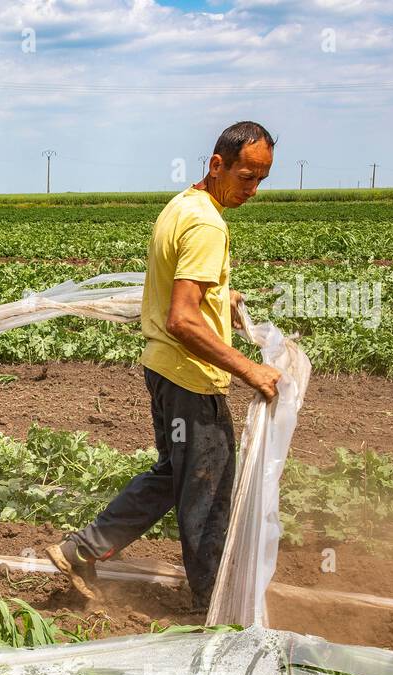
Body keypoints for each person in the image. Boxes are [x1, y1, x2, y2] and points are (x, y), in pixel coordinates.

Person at [47, 121, 282, 612]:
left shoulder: (182, 206)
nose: (253, 190)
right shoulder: (208, 225)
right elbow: (182, 318)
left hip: (163, 369)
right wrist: (250, 369)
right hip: (190, 377)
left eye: (261, 179)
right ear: (217, 164)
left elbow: (184, 291)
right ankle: (214, 604)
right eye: (246, 177)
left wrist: (219, 297)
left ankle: (82, 549)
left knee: (177, 474)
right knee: (208, 489)